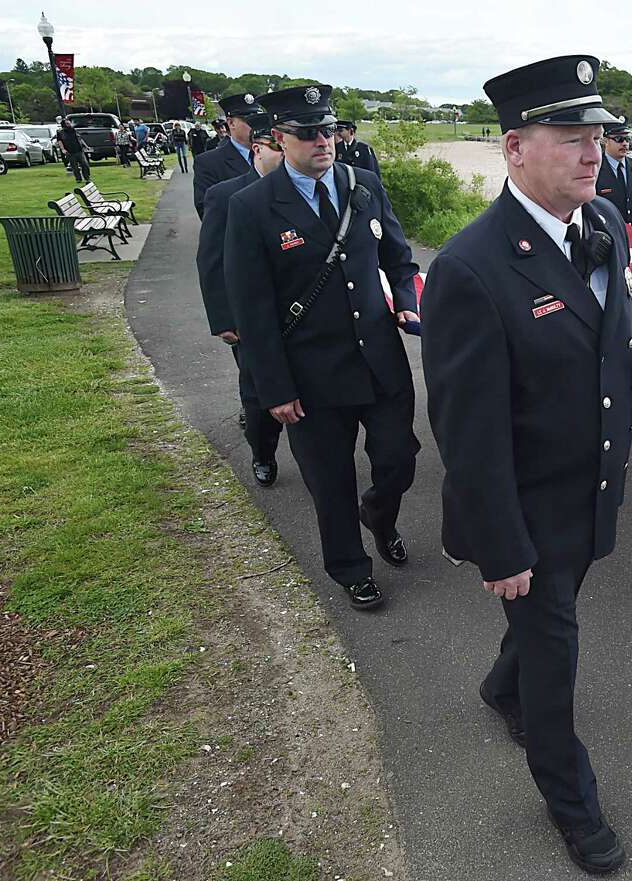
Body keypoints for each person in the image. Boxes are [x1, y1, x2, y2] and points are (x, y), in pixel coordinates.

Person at [421, 55, 632, 875]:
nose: (591, 151)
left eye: (596, 135)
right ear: (514, 148)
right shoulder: (470, 268)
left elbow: (608, 314)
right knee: (557, 661)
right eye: (570, 137)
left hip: (591, 490)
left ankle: (501, 688)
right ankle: (575, 807)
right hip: (526, 511)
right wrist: (501, 546)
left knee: (544, 634)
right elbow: (467, 428)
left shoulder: (604, 227)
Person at [224, 84, 421, 609]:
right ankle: (350, 568)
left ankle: (379, 514)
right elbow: (252, 309)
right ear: (279, 139)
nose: (323, 142)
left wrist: (406, 301)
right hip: (310, 374)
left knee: (399, 460)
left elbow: (399, 260)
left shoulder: (364, 185)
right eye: (308, 133)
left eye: (328, 130)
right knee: (330, 481)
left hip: (380, 362)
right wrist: (274, 388)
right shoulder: (252, 207)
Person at [198, 113, 286, 486]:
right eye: (274, 148)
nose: (282, 155)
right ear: (258, 149)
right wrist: (224, 319)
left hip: (297, 312)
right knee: (258, 393)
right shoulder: (226, 195)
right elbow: (212, 261)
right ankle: (262, 453)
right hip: (250, 317)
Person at [193, 95, 263, 219]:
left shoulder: (271, 154)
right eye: (249, 121)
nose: (256, 126)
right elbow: (207, 211)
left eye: (258, 120)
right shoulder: (208, 162)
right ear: (231, 123)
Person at [595, 121, 632, 225]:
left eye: (627, 139)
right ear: (606, 141)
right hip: (609, 232)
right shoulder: (596, 168)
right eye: (619, 139)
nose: (625, 143)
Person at [57, 118, 90, 183]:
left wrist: (86, 146)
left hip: (79, 150)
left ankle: (87, 178)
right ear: (64, 125)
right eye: (67, 123)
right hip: (69, 152)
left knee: (85, 164)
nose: (69, 124)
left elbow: (80, 139)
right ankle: (78, 179)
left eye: (69, 123)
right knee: (74, 167)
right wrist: (63, 149)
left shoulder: (74, 130)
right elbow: (59, 141)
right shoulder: (60, 133)